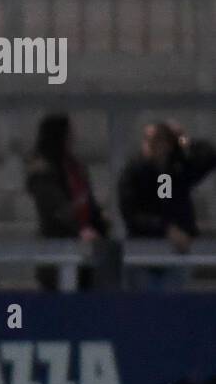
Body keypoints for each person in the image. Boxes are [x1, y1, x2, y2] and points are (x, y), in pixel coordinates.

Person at [118, 121, 216, 290]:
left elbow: (210, 156)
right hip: (144, 255)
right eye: (148, 140)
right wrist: (166, 229)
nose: (151, 146)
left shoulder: (177, 169)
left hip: (176, 256)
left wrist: (184, 140)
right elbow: (132, 215)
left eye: (157, 140)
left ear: (167, 145)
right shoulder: (134, 172)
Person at [25, 113, 108, 291]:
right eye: (69, 133)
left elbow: (88, 201)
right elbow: (55, 206)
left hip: (88, 252)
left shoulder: (75, 167)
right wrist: (80, 230)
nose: (73, 137)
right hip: (58, 248)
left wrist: (101, 225)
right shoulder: (42, 169)